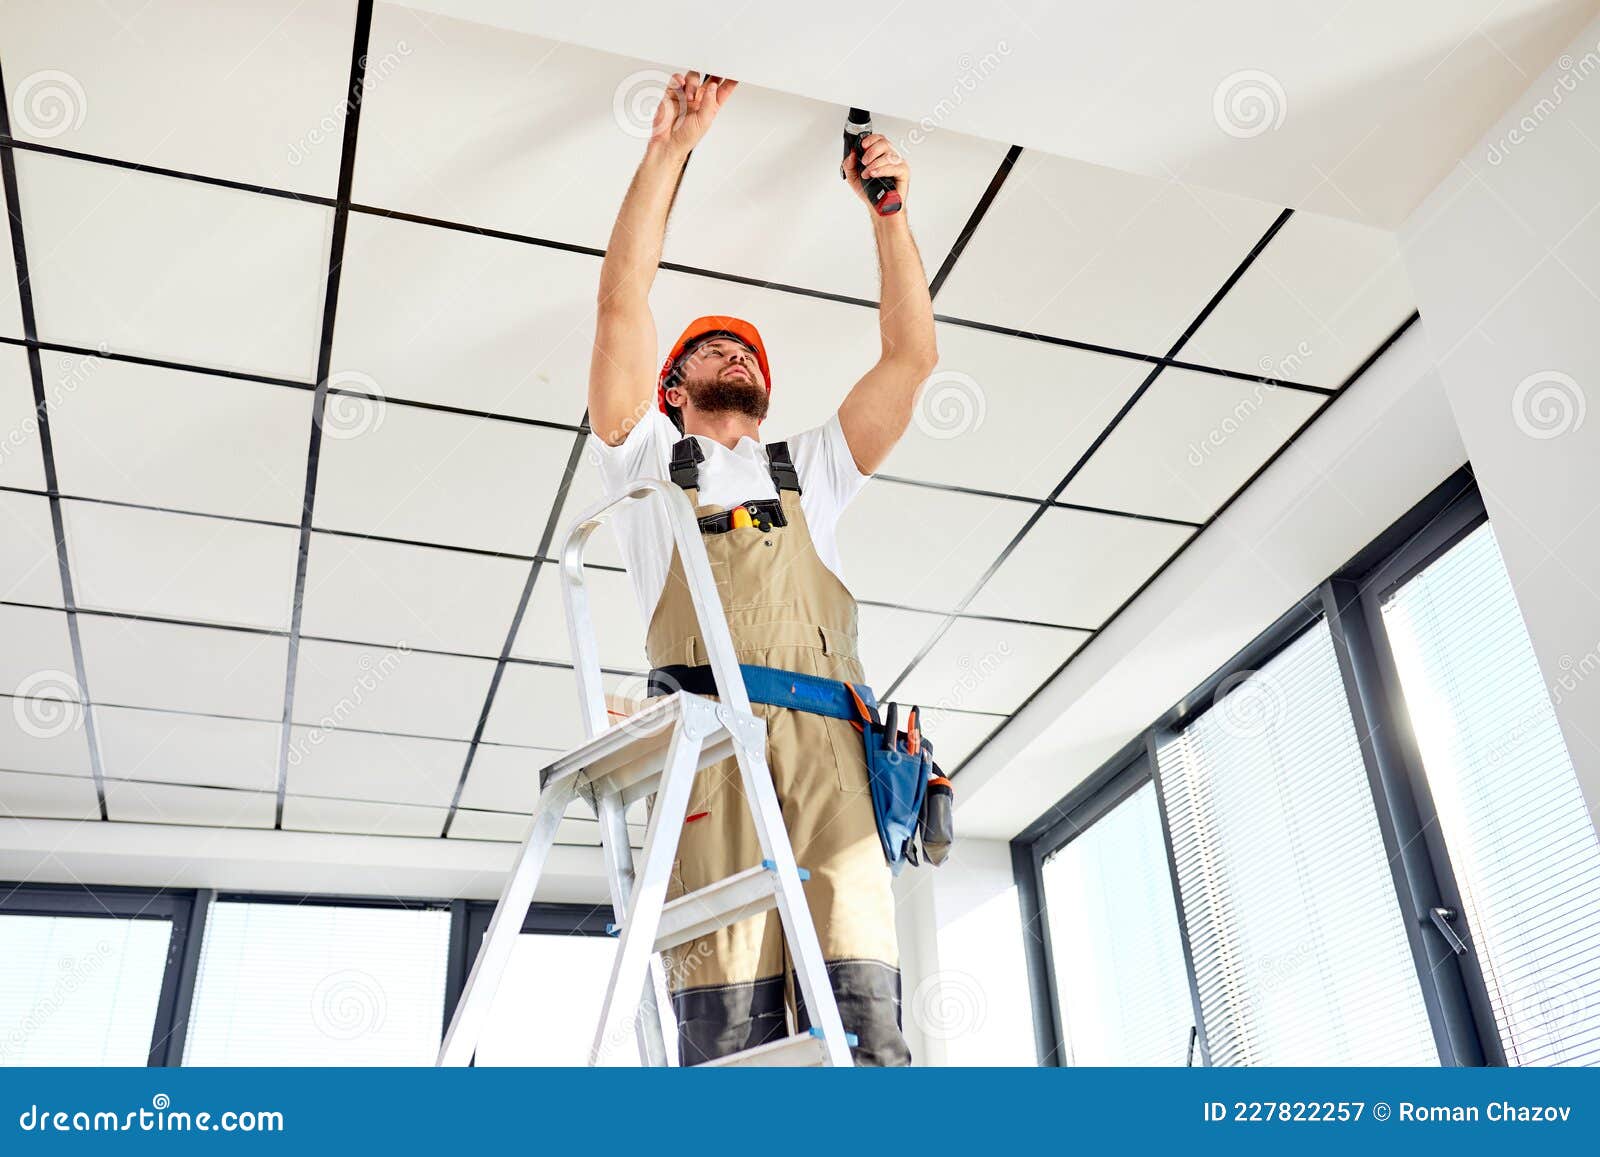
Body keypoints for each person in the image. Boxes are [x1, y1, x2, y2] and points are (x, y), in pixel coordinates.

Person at [586, 70, 937, 1066]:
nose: (734, 353)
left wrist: (888, 214)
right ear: (672, 388)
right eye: (709, 348)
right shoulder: (646, 462)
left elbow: (910, 360)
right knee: (730, 1035)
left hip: (833, 753)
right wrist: (670, 149)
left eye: (746, 352)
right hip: (709, 746)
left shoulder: (811, 470)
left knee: (865, 1029)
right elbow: (620, 300)